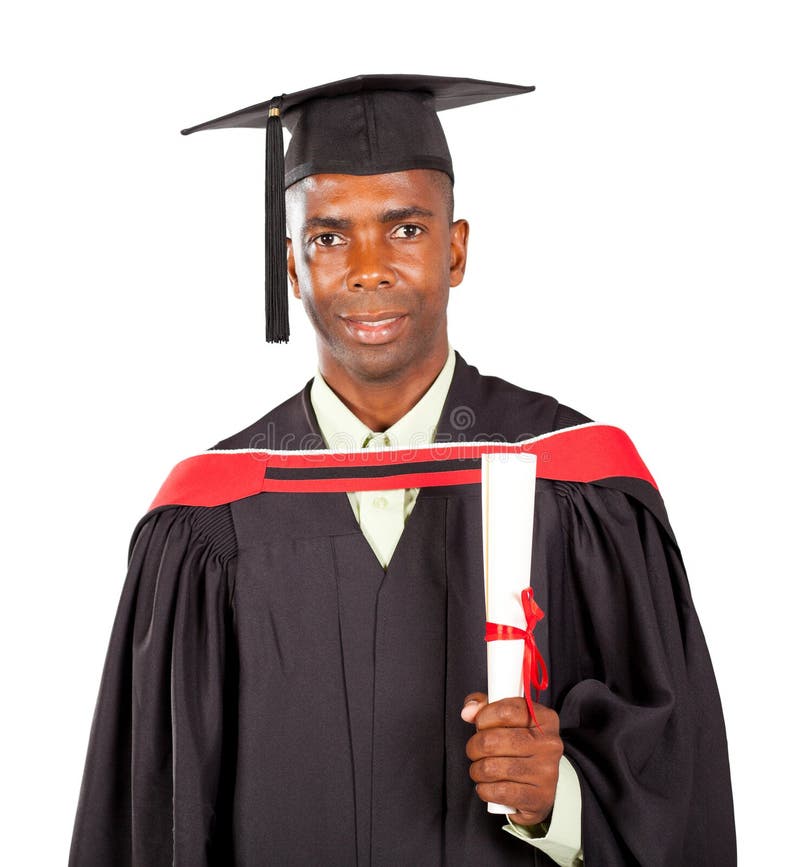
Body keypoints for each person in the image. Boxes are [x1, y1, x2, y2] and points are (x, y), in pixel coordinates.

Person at [68, 75, 736, 866]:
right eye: (328, 236)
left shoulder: (578, 485)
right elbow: (152, 818)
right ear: (291, 265)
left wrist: (560, 798)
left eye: (406, 229)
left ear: (455, 250)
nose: (368, 267)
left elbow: (681, 789)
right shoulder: (210, 519)